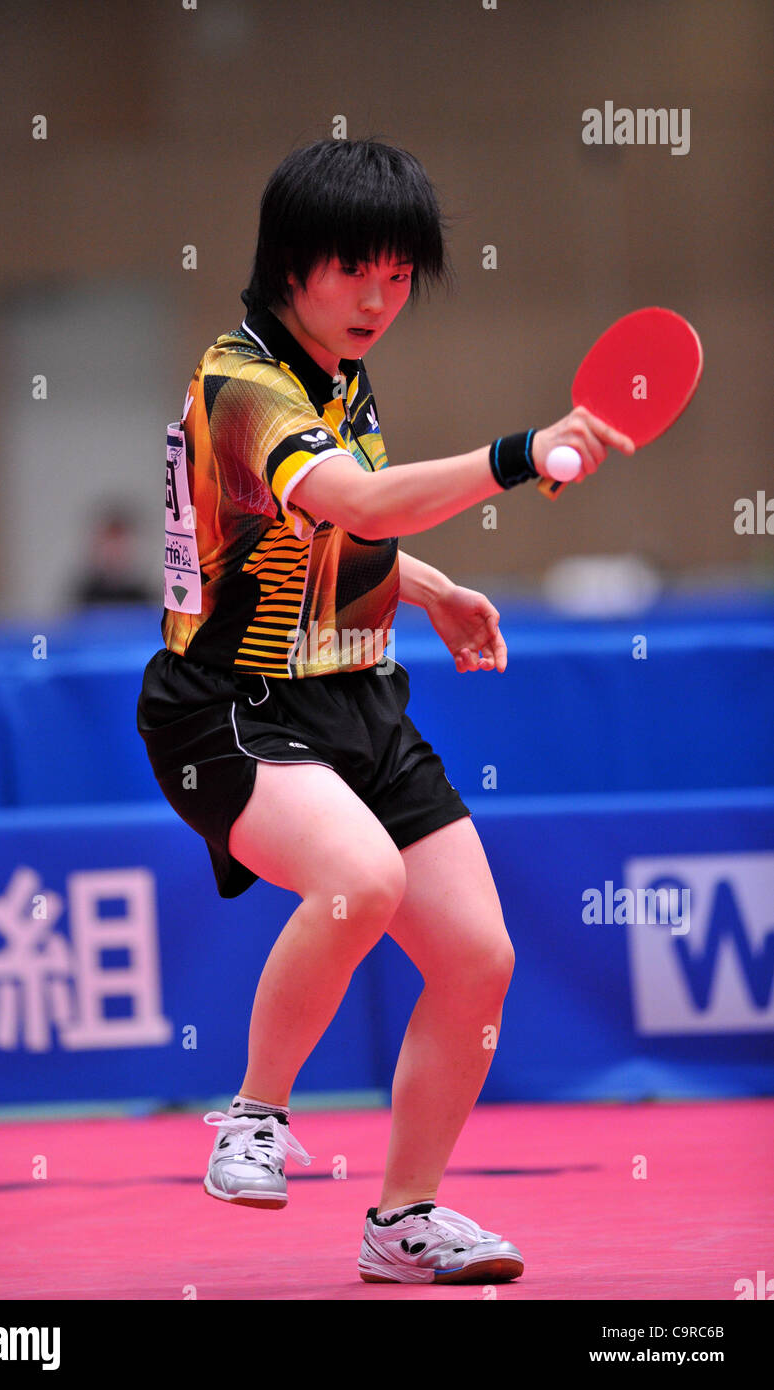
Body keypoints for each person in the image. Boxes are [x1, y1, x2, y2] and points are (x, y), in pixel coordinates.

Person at [136, 138, 634, 1285]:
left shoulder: (337, 379)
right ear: (288, 265)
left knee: (477, 956)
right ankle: (254, 1118)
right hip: (228, 709)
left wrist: (431, 586)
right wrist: (516, 454)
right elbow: (356, 496)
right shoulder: (244, 386)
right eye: (355, 269)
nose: (379, 297)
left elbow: (326, 534)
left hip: (356, 699)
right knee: (363, 876)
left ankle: (403, 1219)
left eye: (401, 275)